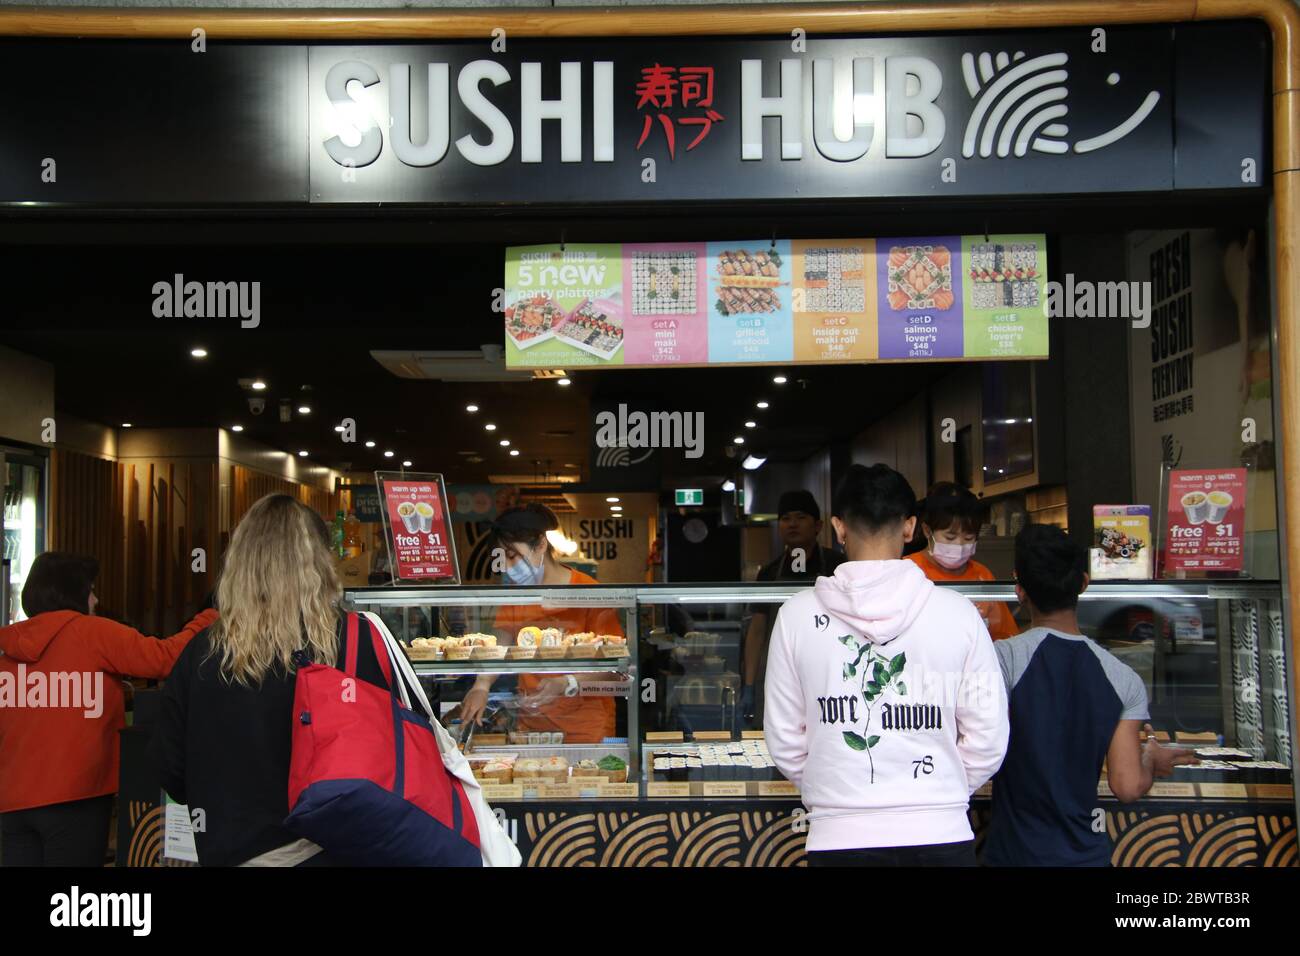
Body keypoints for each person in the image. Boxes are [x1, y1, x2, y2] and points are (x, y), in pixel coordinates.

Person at [764, 464, 1009, 866]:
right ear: (910, 526)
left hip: (839, 838)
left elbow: (784, 738)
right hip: (941, 834)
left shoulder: (796, 616)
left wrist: (835, 793)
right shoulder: (959, 613)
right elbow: (989, 734)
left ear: (839, 528)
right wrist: (940, 793)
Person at [149, 494, 397, 867]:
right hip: (335, 847)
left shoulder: (202, 652)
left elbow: (170, 769)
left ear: (240, 563)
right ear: (320, 562)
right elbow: (400, 747)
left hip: (230, 851)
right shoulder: (354, 640)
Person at [984, 524, 1199, 867]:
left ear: (1019, 589)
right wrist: (1149, 759)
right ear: (1084, 583)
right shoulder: (1123, 678)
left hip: (1014, 854)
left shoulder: (1000, 660)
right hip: (1086, 857)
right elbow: (1127, 786)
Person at [0, 552, 217, 866]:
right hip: (75, 799)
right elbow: (165, 658)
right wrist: (211, 615)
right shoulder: (93, 634)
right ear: (72, 594)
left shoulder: (10, 648)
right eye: (90, 590)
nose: (96, 598)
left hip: (12, 804)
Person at [460, 504, 623, 744]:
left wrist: (567, 682)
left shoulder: (589, 591)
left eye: (513, 555)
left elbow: (615, 667)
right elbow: (499, 646)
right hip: (532, 728)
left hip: (587, 728)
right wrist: (481, 685)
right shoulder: (518, 596)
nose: (507, 566)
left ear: (541, 544)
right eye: (501, 558)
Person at [741, 490, 845, 726]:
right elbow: (757, 631)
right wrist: (748, 684)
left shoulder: (837, 566)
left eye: (800, 517)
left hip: (830, 676)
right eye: (786, 518)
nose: (792, 524)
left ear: (818, 525)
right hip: (779, 675)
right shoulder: (768, 573)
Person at [908, 481, 1019, 640]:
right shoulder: (909, 570)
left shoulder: (982, 575)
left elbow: (1004, 636)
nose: (960, 544)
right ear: (927, 531)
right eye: (950, 537)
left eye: (968, 537)